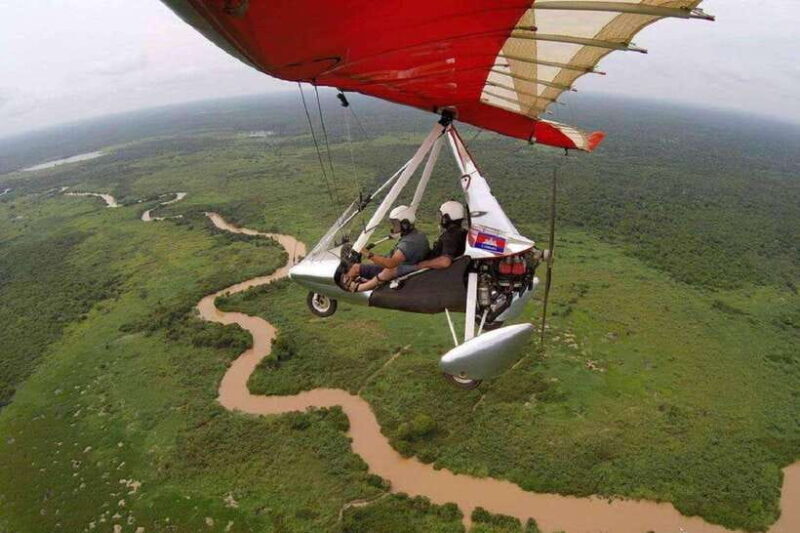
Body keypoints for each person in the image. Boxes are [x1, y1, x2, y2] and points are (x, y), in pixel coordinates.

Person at [344, 205, 429, 292]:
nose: (393, 226)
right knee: (361, 266)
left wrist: (368, 254)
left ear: (405, 224)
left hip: (396, 271)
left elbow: (391, 264)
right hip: (402, 267)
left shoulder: (409, 242)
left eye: (395, 223)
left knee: (357, 268)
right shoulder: (417, 235)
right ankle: (356, 281)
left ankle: (352, 288)